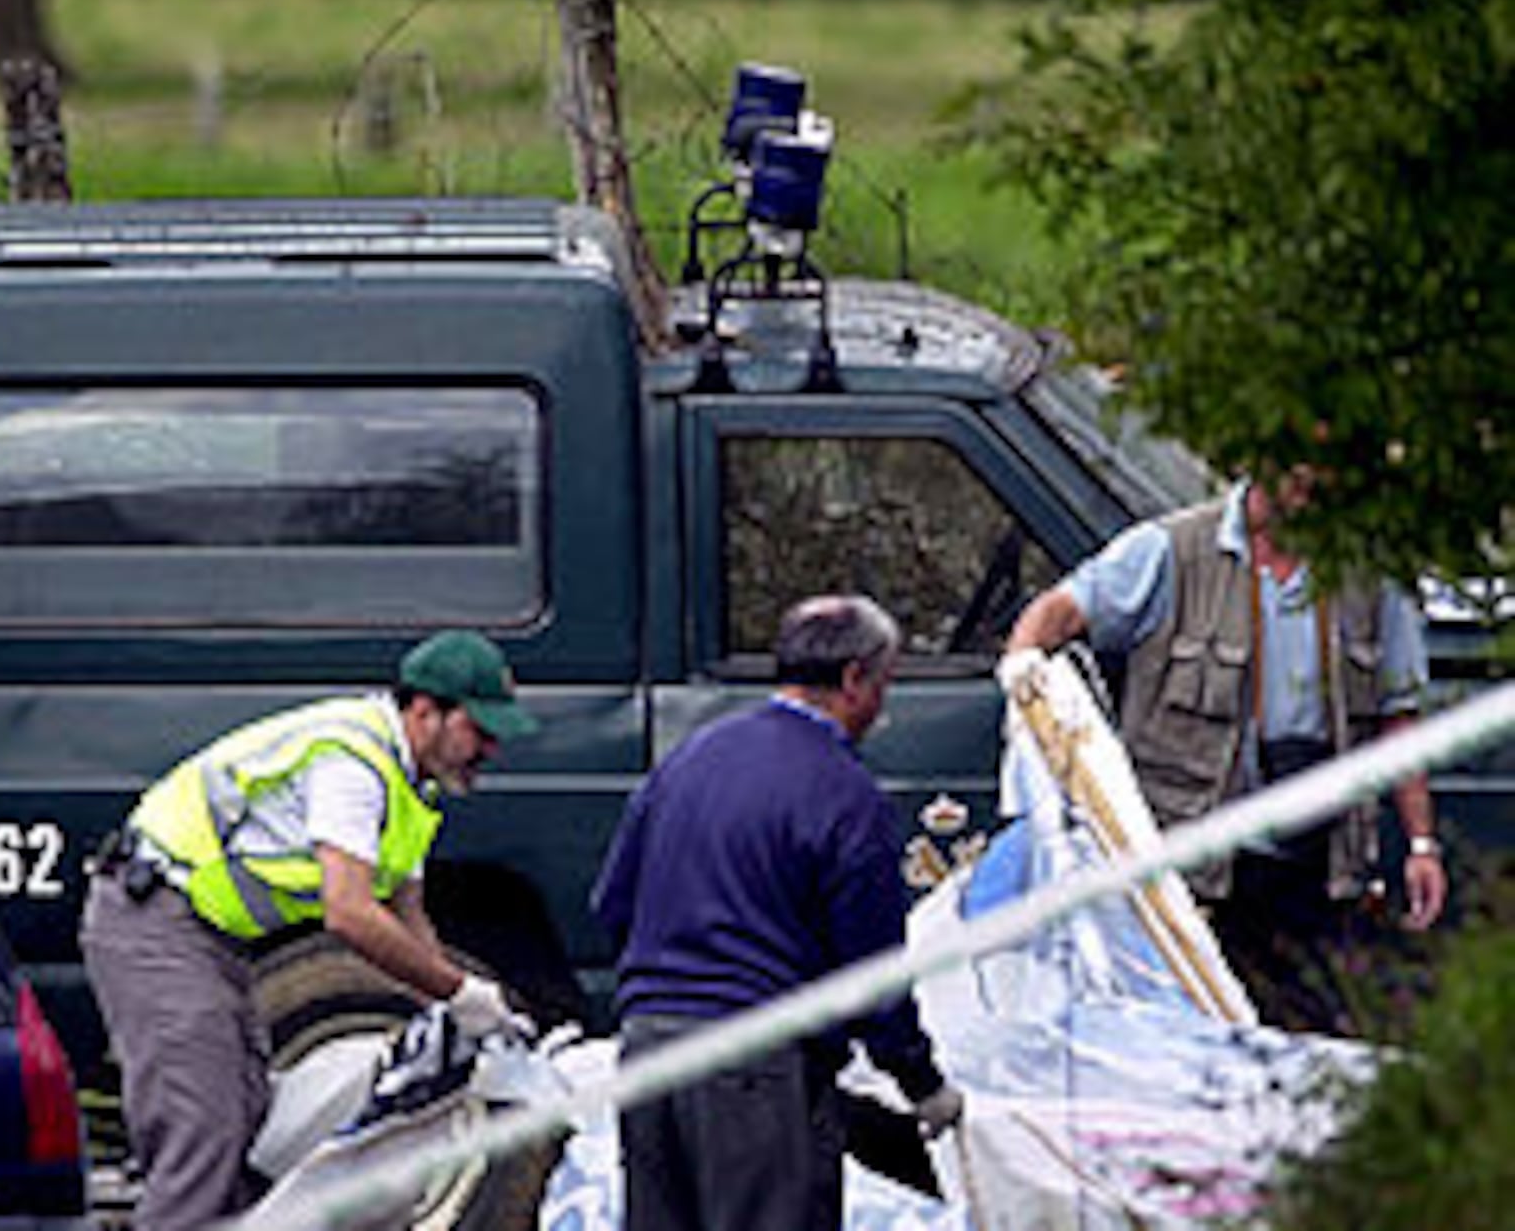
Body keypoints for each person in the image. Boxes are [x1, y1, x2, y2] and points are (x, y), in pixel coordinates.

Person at [79, 629, 540, 1227]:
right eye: (480, 731)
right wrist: (459, 992)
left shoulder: (408, 787)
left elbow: (407, 915)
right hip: (154, 918)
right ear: (426, 713)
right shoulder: (353, 763)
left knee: (245, 1121)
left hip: (204, 936)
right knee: (205, 1128)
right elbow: (349, 911)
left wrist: (461, 1010)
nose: (491, 749)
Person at [1005, 470, 1445, 1031]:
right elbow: (1062, 611)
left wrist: (1421, 844)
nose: (1313, 481)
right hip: (1199, 869)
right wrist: (1023, 680)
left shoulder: (1371, 573)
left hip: (1319, 866)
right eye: (1297, 463)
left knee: (1314, 1040)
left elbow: (1399, 716)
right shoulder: (1172, 551)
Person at [591, 594, 962, 1231]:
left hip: (649, 1056)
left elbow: (611, 906)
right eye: (885, 684)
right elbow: (873, 977)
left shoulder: (688, 761)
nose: (884, 708)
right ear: (854, 679)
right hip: (756, 1071)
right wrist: (922, 1083)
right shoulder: (846, 794)